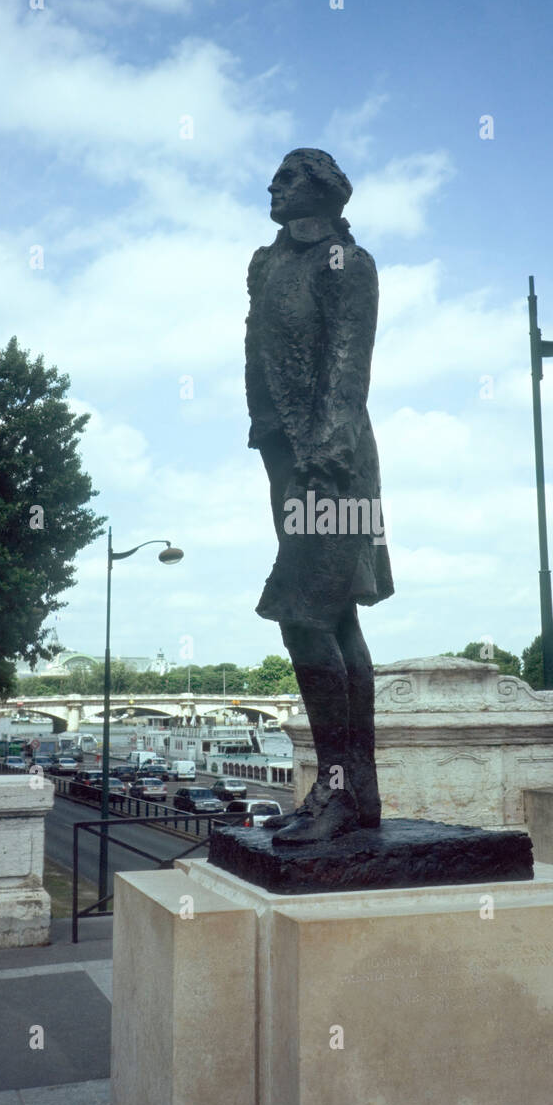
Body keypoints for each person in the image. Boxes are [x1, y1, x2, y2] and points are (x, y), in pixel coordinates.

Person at [244, 149, 393, 843]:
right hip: (285, 456)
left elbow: (347, 365)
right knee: (332, 618)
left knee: (301, 611)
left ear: (325, 191)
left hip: (329, 463)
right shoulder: (267, 264)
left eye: (289, 176)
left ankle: (338, 791)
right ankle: (356, 792)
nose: (274, 185)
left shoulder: (346, 263)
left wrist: (322, 458)